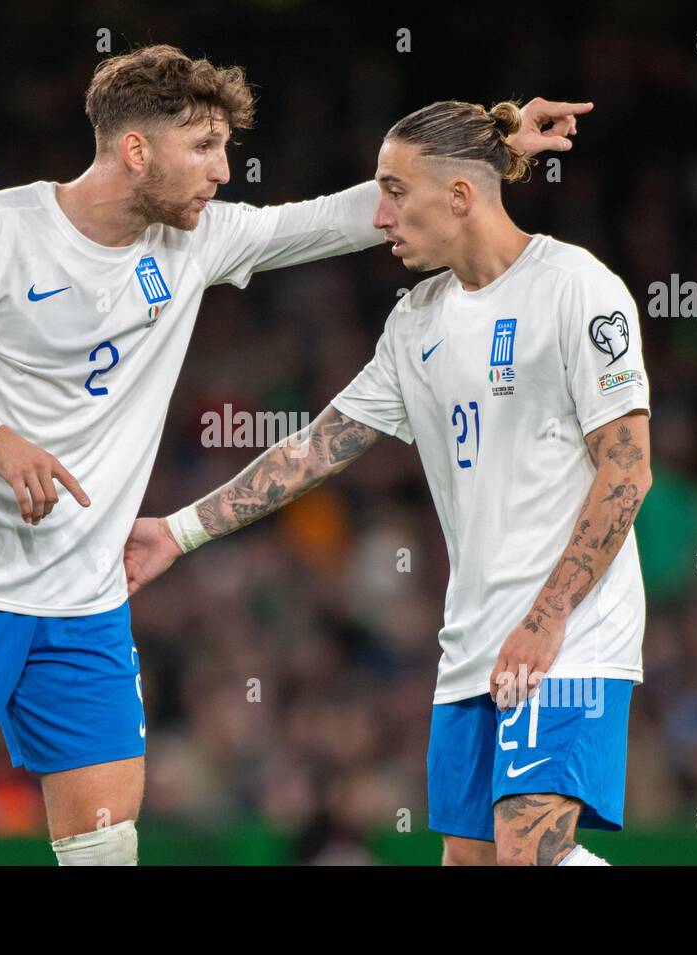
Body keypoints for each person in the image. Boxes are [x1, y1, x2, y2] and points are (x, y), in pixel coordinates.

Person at [0, 41, 588, 866]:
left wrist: (498, 143)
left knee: (102, 845)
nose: (224, 170)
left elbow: (346, 213)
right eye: (205, 148)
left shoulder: (196, 243)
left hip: (84, 599)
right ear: (134, 150)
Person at [125, 99, 649, 866]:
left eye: (395, 191)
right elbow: (315, 448)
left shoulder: (576, 287)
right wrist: (180, 529)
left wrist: (547, 614)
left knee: (526, 856)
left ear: (461, 197)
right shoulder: (417, 323)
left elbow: (628, 469)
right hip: (474, 641)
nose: (380, 214)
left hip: (570, 636)